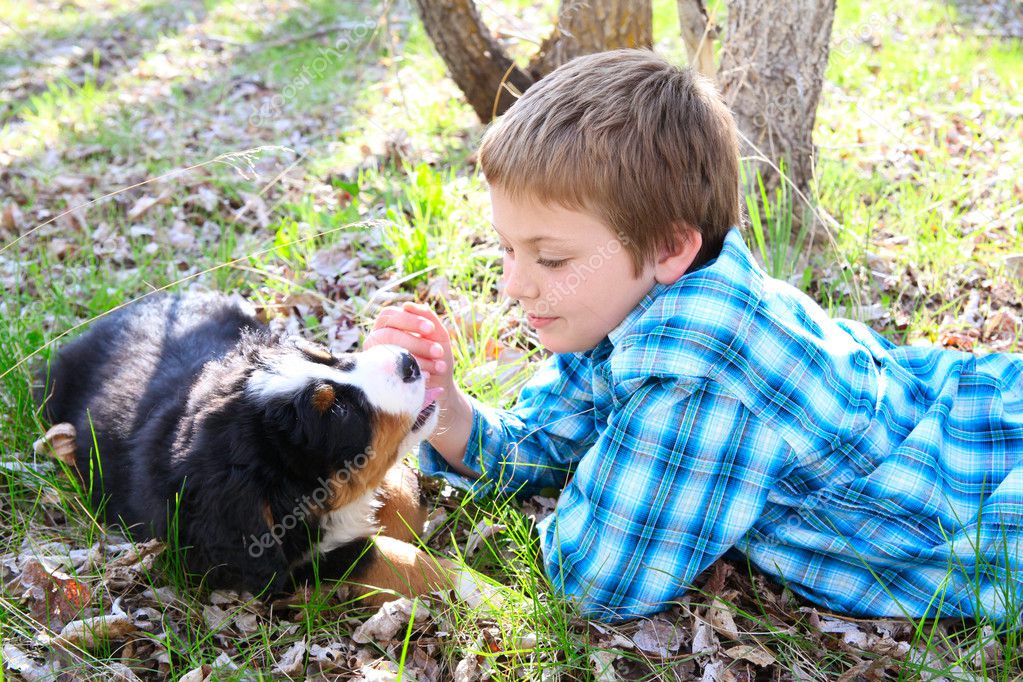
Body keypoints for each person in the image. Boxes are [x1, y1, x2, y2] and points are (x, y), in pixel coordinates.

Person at [365, 49, 1023, 623]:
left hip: (969, 488)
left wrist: (379, 565)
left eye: (551, 259)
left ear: (669, 246)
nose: (514, 284)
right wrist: (444, 408)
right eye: (506, 248)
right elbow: (542, 438)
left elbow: (592, 582)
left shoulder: (696, 377)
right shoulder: (630, 295)